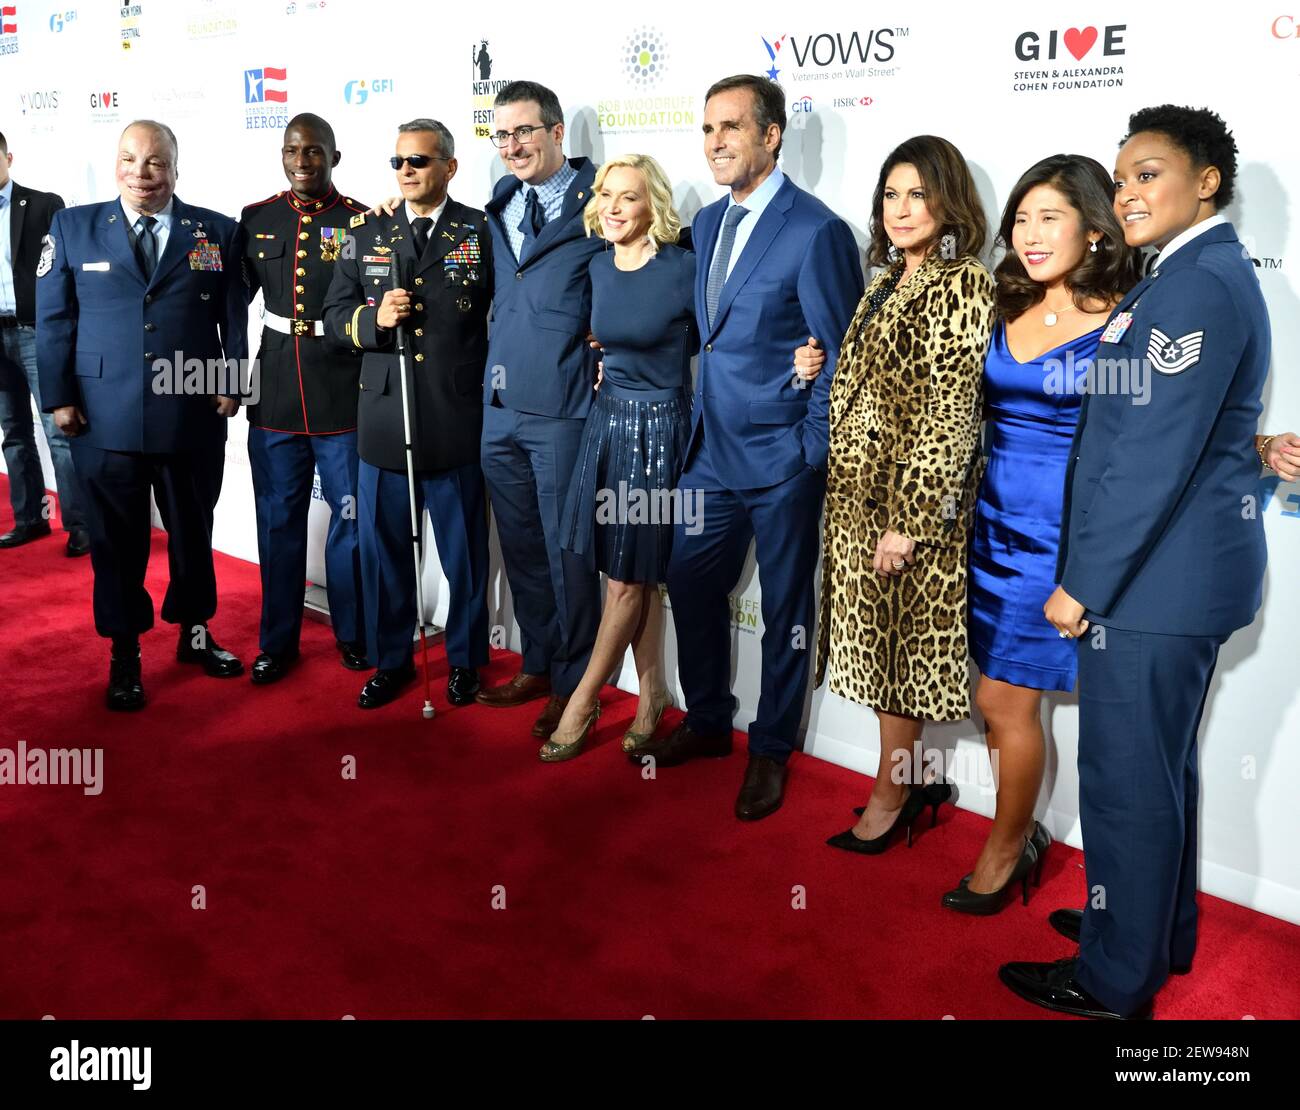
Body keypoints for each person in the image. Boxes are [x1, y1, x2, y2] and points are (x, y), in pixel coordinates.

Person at [999, 106, 1272, 1020]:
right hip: (1173, 577)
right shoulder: (1184, 278)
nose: (1128, 193)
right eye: (1120, 179)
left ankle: (1116, 979)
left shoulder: (1195, 287)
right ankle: (1155, 933)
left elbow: (1148, 459)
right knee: (1162, 774)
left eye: (1149, 173)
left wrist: (1083, 586)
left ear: (1207, 182)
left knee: (1124, 785)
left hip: (1154, 586)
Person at [639, 75, 862, 821]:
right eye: (707, 129)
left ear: (772, 136)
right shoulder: (705, 226)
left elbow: (838, 355)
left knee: (785, 612)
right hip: (708, 453)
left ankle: (770, 749)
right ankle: (708, 722)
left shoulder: (817, 230)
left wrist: (810, 448)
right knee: (689, 580)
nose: (716, 142)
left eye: (732, 127)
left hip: (782, 460)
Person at [944, 155, 1142, 913]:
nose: (1028, 234)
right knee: (994, 696)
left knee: (1003, 700)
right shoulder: (1002, 300)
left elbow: (1153, 430)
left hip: (1061, 535)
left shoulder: (1126, 316)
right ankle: (1018, 829)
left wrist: (1255, 449)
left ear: (1096, 228)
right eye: (1021, 218)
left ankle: (1006, 847)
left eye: (1049, 217)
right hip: (989, 525)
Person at [814, 136, 994, 850]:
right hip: (859, 507)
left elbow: (950, 416)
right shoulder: (886, 280)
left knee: (900, 663)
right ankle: (909, 781)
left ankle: (893, 794)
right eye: (891, 194)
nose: (901, 209)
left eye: (918, 194)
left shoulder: (963, 284)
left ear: (948, 201)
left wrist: (911, 522)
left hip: (907, 512)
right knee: (885, 658)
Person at [37, 120, 247, 710]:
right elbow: (54, 321)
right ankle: (124, 653)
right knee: (116, 543)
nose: (140, 173)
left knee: (192, 536)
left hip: (191, 413)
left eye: (154, 162)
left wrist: (234, 381)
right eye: (129, 159)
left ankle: (196, 636)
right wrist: (58, 399)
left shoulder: (216, 231)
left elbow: (233, 315)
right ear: (115, 163)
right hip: (103, 419)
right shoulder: (73, 227)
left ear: (175, 166)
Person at [323, 119, 491, 710]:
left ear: (449, 165)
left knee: (465, 556)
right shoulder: (366, 231)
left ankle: (468, 660)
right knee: (385, 553)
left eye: (418, 160)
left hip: (454, 419)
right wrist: (374, 322)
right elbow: (333, 316)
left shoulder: (481, 229)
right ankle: (392, 659)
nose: (406, 171)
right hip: (385, 421)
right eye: (398, 162)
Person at [540, 156, 697, 761]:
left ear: (651, 205)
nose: (610, 207)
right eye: (605, 194)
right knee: (628, 571)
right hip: (608, 423)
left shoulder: (683, 268)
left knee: (629, 579)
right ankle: (653, 692)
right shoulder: (599, 266)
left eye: (626, 197)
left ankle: (582, 700)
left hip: (661, 431)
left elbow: (727, 331)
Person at [473, 80, 603, 738]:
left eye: (525, 131)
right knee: (522, 547)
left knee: (565, 553)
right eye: (501, 135)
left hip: (564, 410)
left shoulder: (600, 198)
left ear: (556, 132)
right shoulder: (497, 205)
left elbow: (652, 262)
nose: (513, 145)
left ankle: (578, 686)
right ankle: (540, 660)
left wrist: (613, 335)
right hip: (499, 410)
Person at [240, 113, 369, 685]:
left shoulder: (363, 222)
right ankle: (277, 642)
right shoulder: (256, 219)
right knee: (277, 522)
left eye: (313, 151)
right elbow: (223, 305)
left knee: (352, 522)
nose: (301, 161)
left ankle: (354, 632)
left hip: (343, 395)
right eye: (292, 149)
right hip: (274, 398)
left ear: (334, 157)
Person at [0, 131, 85, 555]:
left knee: (59, 432)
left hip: (37, 333)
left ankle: (81, 524)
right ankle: (30, 519)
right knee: (13, 433)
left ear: (9, 158)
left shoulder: (43, 205)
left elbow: (63, 273)